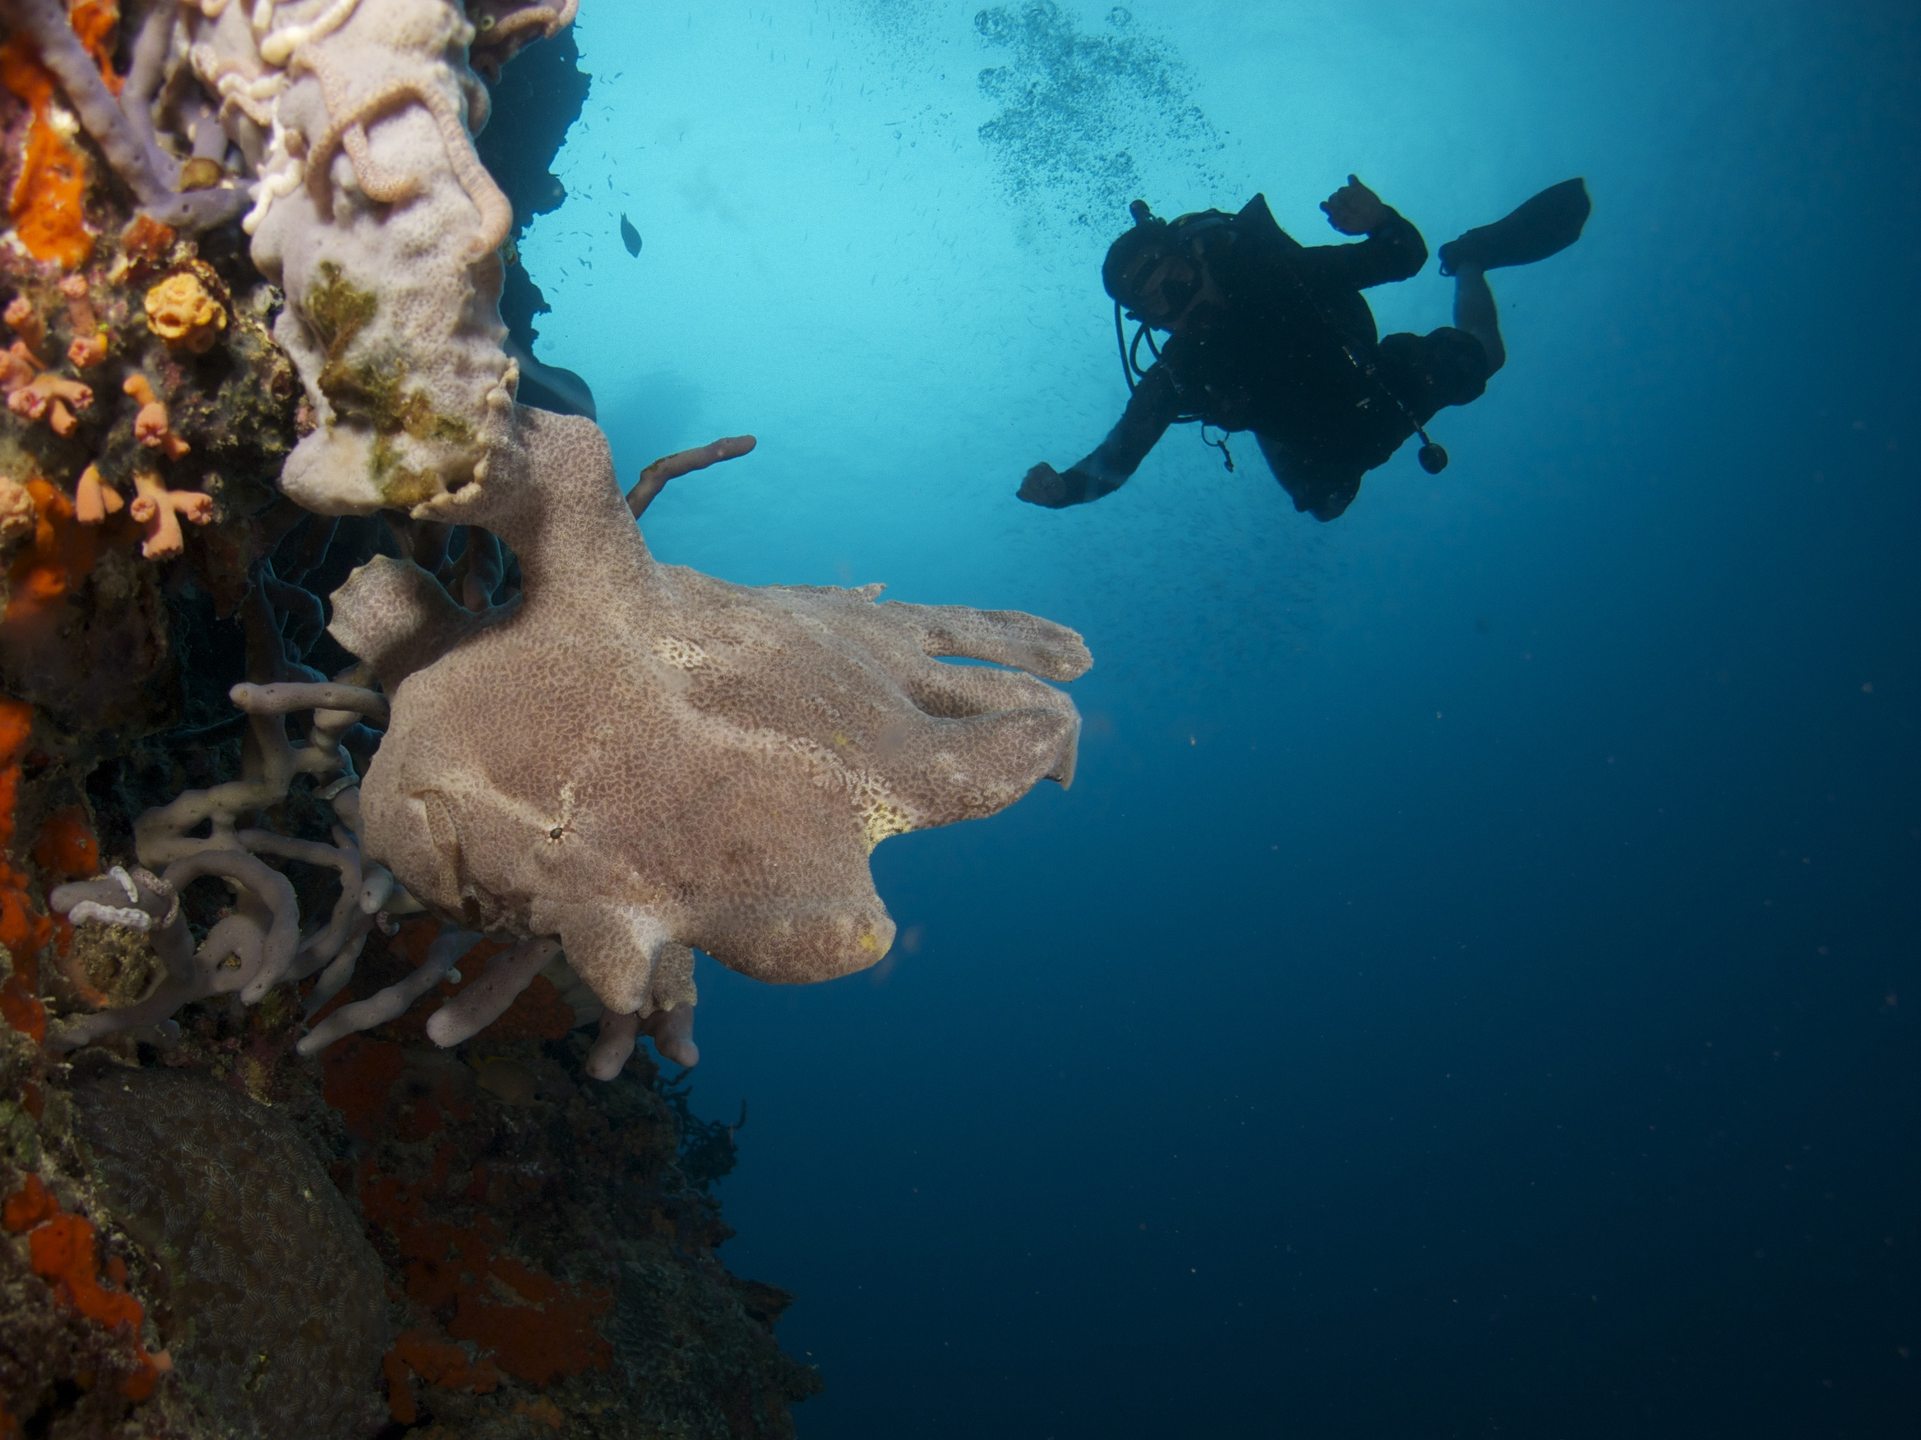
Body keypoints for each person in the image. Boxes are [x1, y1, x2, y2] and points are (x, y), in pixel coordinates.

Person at [1018, 175, 1589, 521]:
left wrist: (1380, 219)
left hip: (1374, 381)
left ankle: (1471, 258)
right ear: (1149, 321)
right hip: (1316, 453)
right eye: (1161, 302)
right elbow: (1119, 457)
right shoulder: (1178, 373)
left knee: (1481, 359)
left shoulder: (1278, 275)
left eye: (1175, 276)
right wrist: (1063, 490)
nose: (1181, 300)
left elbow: (1401, 258)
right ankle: (1310, 475)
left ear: (1194, 258)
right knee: (1324, 505)